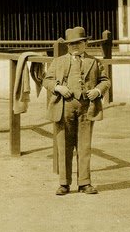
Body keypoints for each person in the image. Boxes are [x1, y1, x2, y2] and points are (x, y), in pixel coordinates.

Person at [43, 26, 110, 196]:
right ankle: (64, 183)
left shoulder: (94, 62)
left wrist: (97, 91)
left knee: (84, 146)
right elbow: (47, 80)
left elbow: (105, 81)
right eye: (71, 43)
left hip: (86, 108)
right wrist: (58, 87)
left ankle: (84, 183)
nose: (75, 46)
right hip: (63, 107)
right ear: (67, 45)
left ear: (85, 43)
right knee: (64, 146)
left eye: (79, 43)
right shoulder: (58, 61)